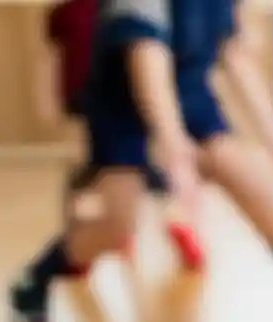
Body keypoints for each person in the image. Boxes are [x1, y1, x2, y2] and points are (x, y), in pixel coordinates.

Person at [10, 0, 273, 322]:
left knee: (245, 175)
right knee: (116, 225)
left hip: (190, 91)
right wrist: (173, 144)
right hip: (122, 105)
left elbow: (233, 50)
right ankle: (35, 279)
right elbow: (145, 56)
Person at [39, 0, 205, 272]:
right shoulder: (63, 14)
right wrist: (48, 101)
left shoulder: (115, 10)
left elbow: (149, 51)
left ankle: (171, 222)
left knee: (141, 174)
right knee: (94, 175)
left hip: (124, 98)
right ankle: (92, 235)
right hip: (89, 100)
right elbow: (51, 59)